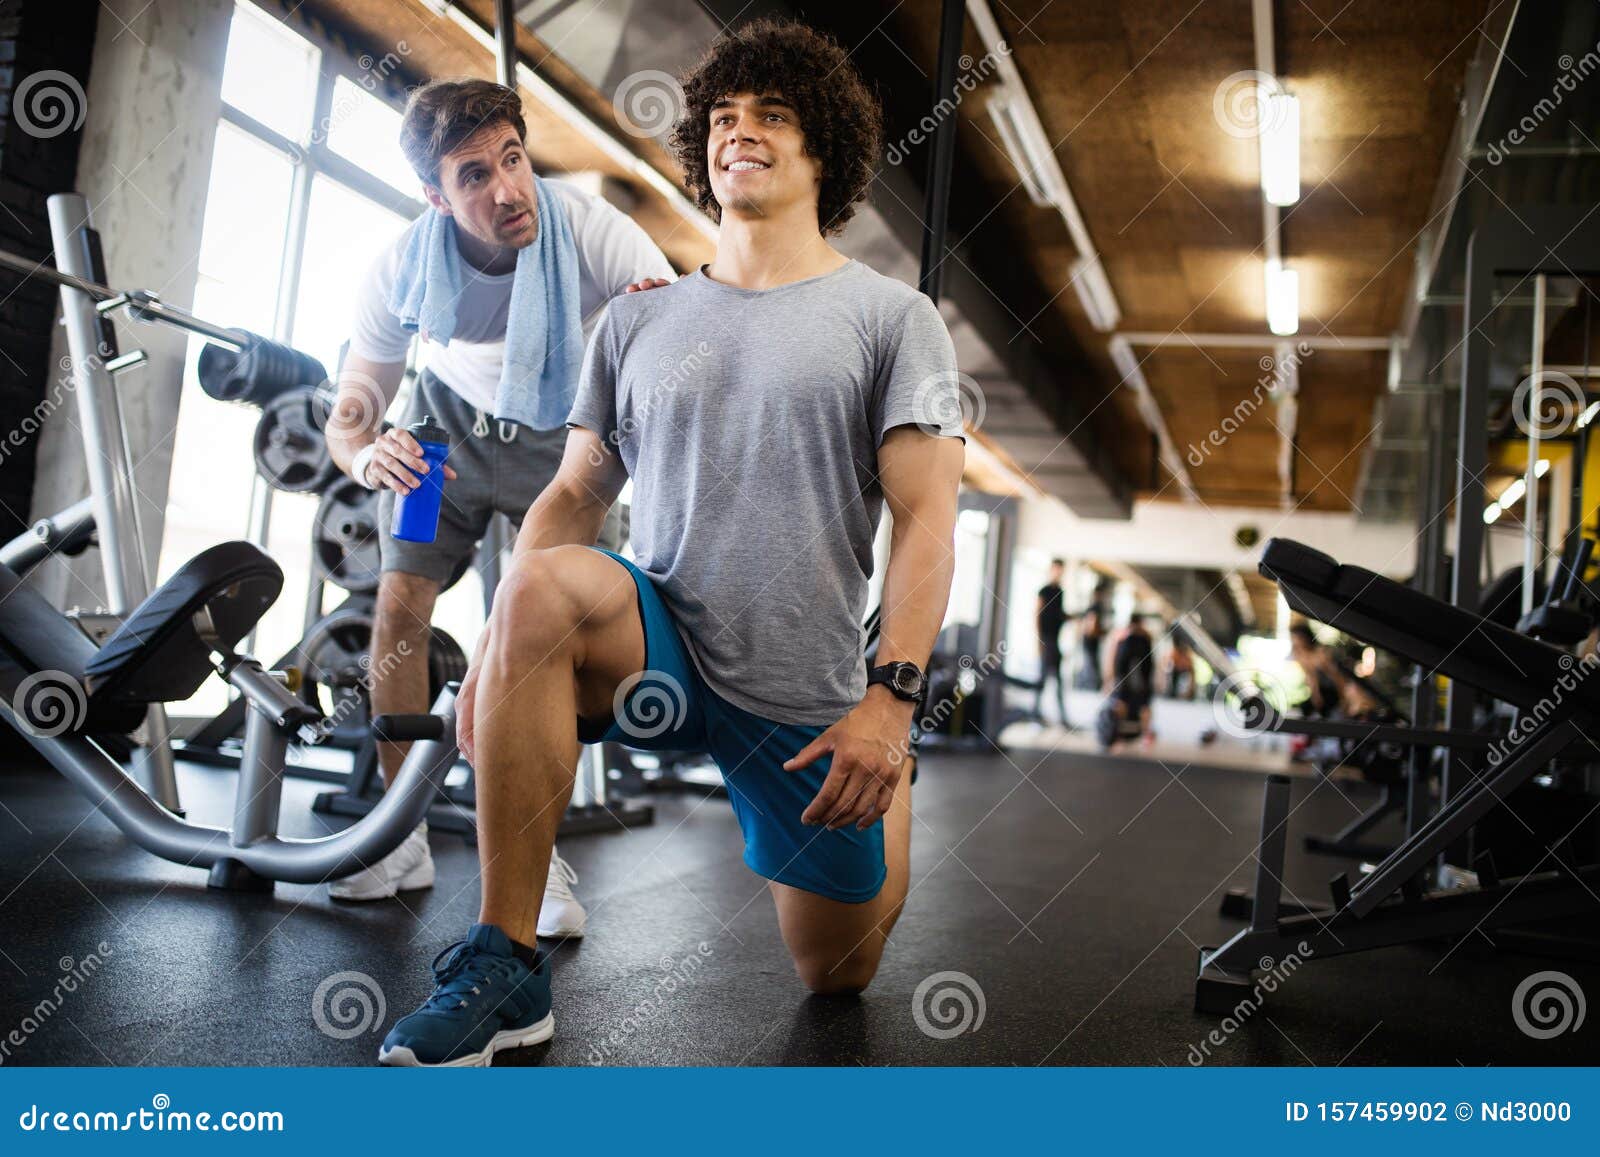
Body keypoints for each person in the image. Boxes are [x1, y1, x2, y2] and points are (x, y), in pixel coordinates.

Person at [376, 19, 966, 1066]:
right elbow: (571, 493)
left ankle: (890, 788)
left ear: (822, 147)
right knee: (537, 586)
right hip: (661, 645)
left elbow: (925, 523)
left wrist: (889, 702)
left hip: (806, 698)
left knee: (838, 973)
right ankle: (505, 962)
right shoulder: (639, 323)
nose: (743, 131)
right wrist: (503, 655)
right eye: (725, 119)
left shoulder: (890, 316)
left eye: (774, 116)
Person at [322, 78, 675, 931]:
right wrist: (370, 455)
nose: (507, 189)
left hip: (566, 437)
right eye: (474, 176)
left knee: (532, 633)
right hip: (441, 433)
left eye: (512, 159)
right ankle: (399, 833)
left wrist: (657, 326)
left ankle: (533, 858)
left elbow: (677, 338)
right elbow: (353, 412)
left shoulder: (589, 228)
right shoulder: (401, 264)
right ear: (436, 196)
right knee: (399, 603)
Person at [1104, 614, 1156, 746]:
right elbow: (1114, 659)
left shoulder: (1142, 638)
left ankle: (1130, 735)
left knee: (1138, 706)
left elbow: (1113, 660)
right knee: (1128, 705)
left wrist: (1109, 680)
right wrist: (1109, 680)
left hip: (1132, 680)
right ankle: (1119, 734)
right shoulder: (1140, 637)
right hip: (1131, 680)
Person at [1033, 558, 1070, 726]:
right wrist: (1039, 641)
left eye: (1060, 570)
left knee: (1058, 680)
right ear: (1051, 570)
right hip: (1046, 640)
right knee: (1042, 679)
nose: (1058, 572)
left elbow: (1059, 615)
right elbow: (1037, 615)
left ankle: (1061, 717)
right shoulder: (1044, 591)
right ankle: (1035, 713)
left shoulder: (1060, 592)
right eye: (1056, 569)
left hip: (1055, 641)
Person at [1075, 583, 1108, 691]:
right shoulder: (1095, 608)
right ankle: (1089, 689)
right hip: (1090, 643)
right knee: (1090, 667)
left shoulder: (1092, 607)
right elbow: (1091, 629)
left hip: (1089, 642)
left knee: (1090, 666)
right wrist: (1103, 633)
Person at [1164, 633, 1195, 700]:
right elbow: (1169, 668)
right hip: (1177, 672)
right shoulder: (1174, 653)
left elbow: (1192, 671)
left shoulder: (1187, 655)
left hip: (1184, 672)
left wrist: (1191, 689)